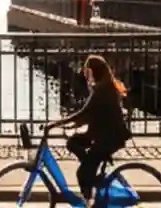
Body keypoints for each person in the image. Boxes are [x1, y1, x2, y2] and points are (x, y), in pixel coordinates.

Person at [43, 54, 131, 201]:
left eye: (88, 72)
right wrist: (72, 126)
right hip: (101, 134)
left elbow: (83, 113)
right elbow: (91, 114)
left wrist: (56, 124)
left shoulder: (102, 90)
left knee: (82, 174)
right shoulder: (104, 86)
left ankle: (90, 196)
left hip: (108, 139)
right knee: (73, 143)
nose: (86, 75)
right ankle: (92, 171)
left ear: (94, 71)